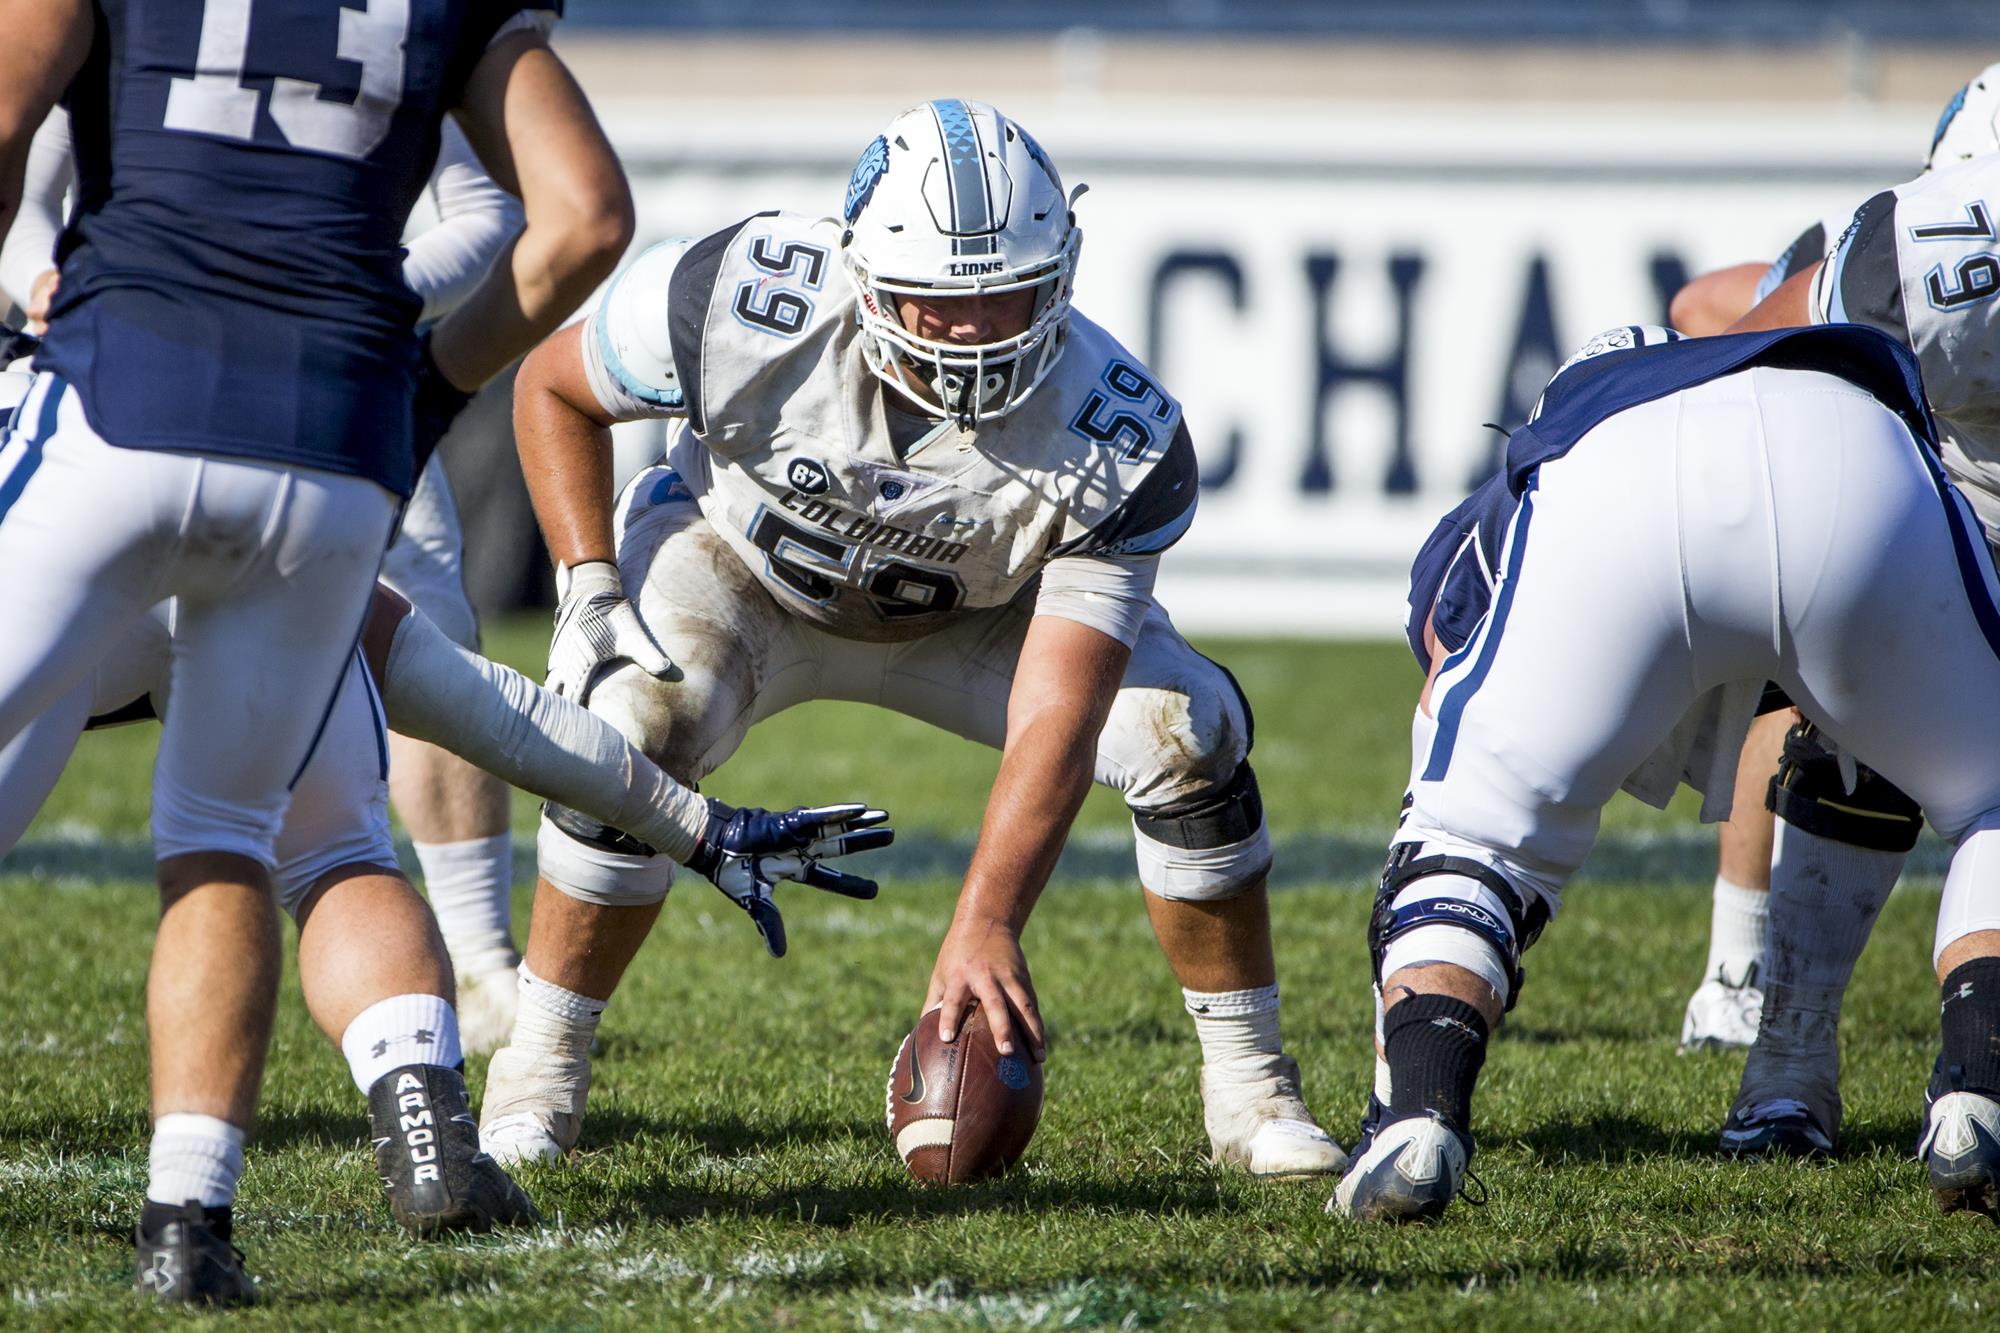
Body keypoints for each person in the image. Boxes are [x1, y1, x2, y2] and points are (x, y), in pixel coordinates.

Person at [479, 99, 1345, 1180]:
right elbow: (550, 387)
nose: (978, 335)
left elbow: (1055, 718)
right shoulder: (743, 297)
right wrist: (588, 585)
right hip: (742, 570)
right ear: (866, 276)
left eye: (1007, 298)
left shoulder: (1113, 432)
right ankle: (538, 1069)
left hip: (972, 617)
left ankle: (1251, 1089)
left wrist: (985, 920)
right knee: (632, 710)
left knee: (1185, 729)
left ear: (1061, 270)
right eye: (942, 307)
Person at [0, 0, 631, 1304]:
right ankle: (190, 1221)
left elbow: (5, 116)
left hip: (110, 404)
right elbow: (584, 217)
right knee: (270, 835)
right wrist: (429, 386)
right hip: (327, 446)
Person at [1333, 322, 2000, 1225]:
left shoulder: (1557, 443)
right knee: (1987, 799)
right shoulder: (1778, 369)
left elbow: (1443, 647)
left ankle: (1416, 1115)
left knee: (1467, 845)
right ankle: (1976, 1092)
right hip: (1850, 451)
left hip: (1612, 498)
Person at [0, 109, 533, 1052]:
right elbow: (23, 171)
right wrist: (48, 283)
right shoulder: (121, 23)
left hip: (316, 395)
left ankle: (481, 964)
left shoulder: (388, 20)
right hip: (116, 396)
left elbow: (491, 214)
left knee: (411, 655)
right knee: (291, 832)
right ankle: (409, 1091)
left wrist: (351, 298)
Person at [1664, 64, 2000, 1058]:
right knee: (1799, 684)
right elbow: (1719, 310)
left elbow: (1714, 311)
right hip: (1915, 555)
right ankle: (1737, 970)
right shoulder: (1913, 248)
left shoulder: (1920, 232)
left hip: (1906, 554)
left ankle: (1745, 989)